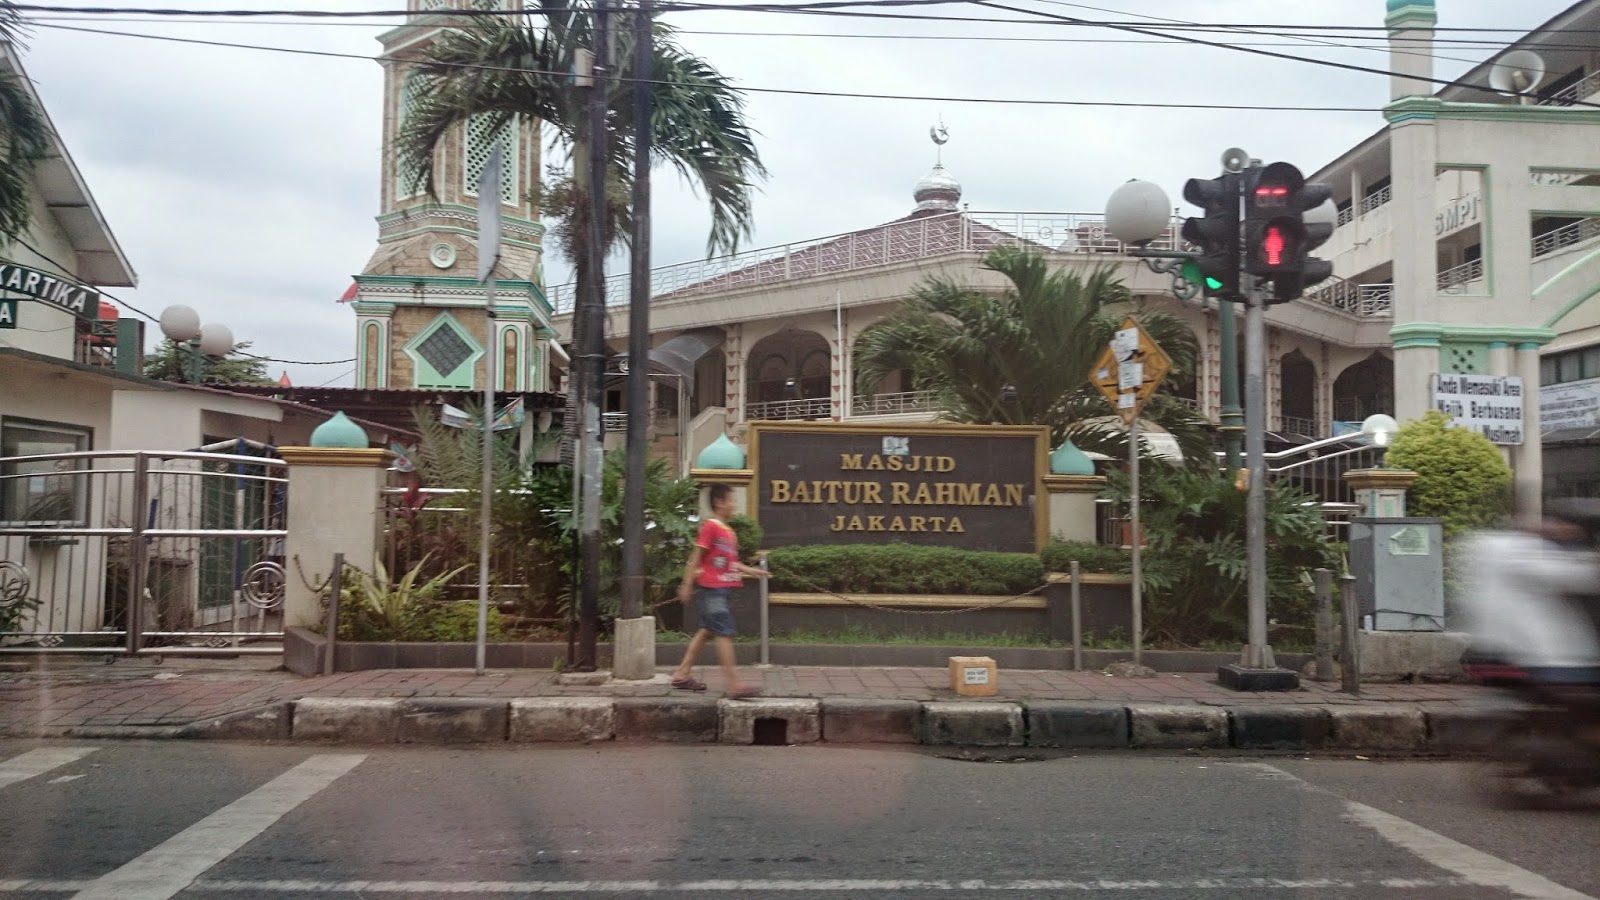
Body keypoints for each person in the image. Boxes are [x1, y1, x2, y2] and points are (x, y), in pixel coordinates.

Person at [670, 483, 769, 697]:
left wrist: (751, 571)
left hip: (721, 588)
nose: (734, 504)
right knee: (724, 631)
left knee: (707, 631)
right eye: (731, 500)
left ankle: (681, 674)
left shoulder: (729, 533)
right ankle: (734, 685)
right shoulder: (711, 526)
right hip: (711, 589)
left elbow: (730, 562)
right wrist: (686, 584)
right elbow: (696, 556)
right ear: (719, 502)